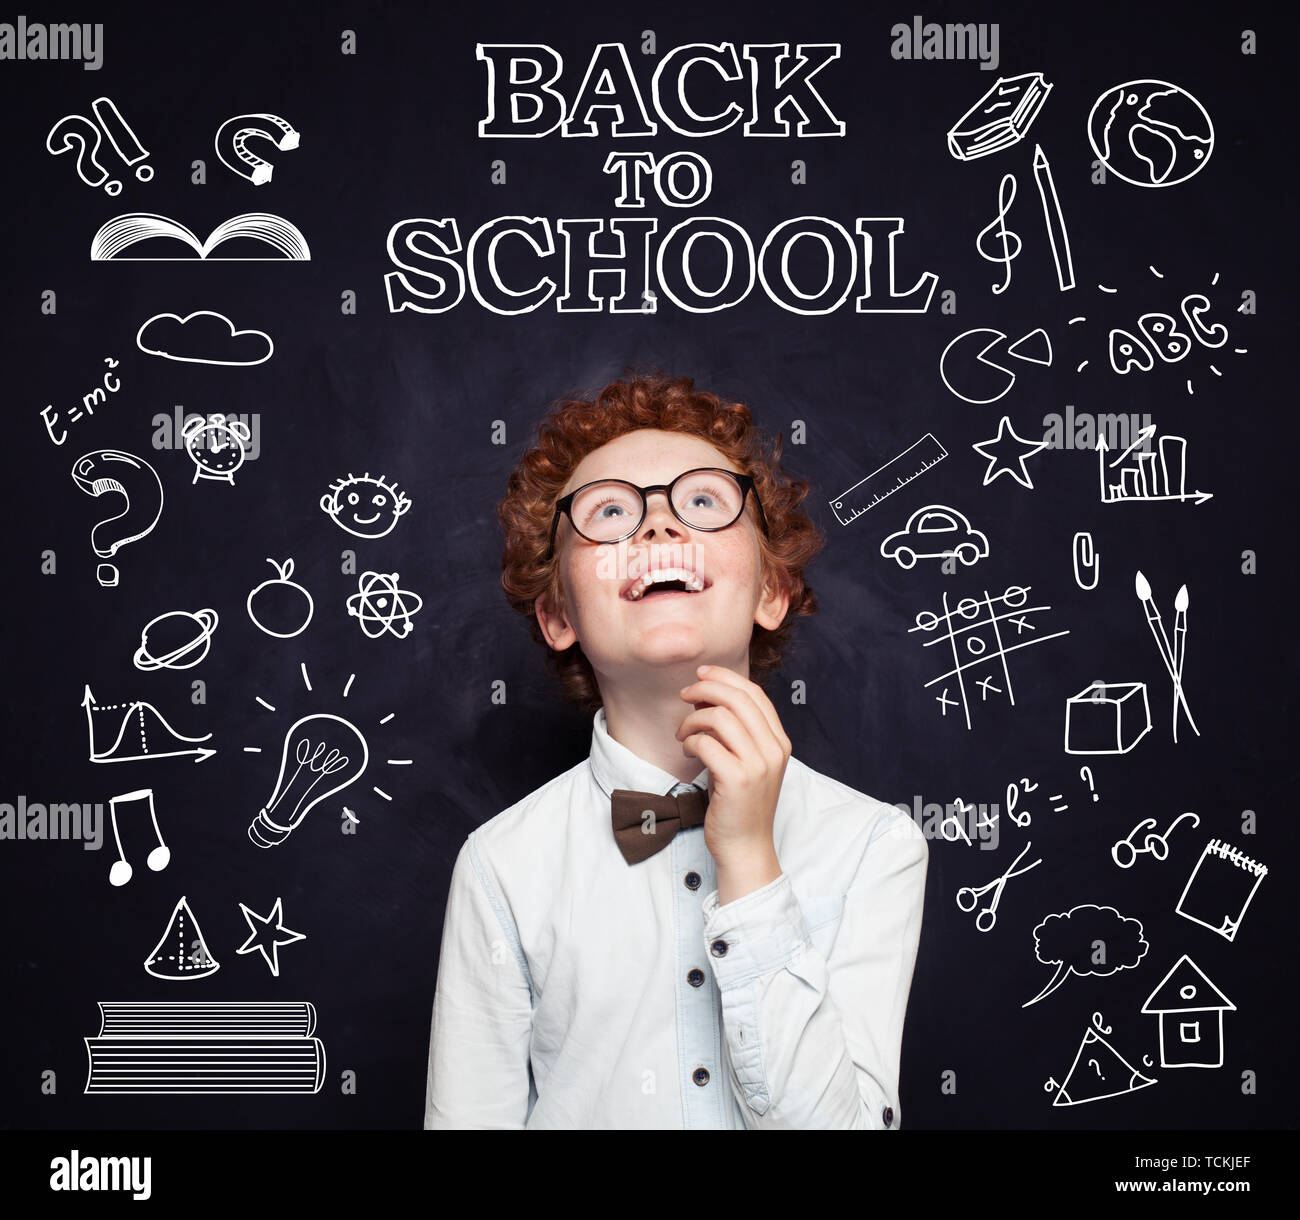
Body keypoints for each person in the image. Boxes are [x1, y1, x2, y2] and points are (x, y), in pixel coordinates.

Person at [425, 372, 928, 1129]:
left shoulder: (874, 847)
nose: (658, 527)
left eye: (701, 502)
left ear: (771, 591)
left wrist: (754, 863)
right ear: (559, 613)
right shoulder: (502, 865)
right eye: (610, 512)